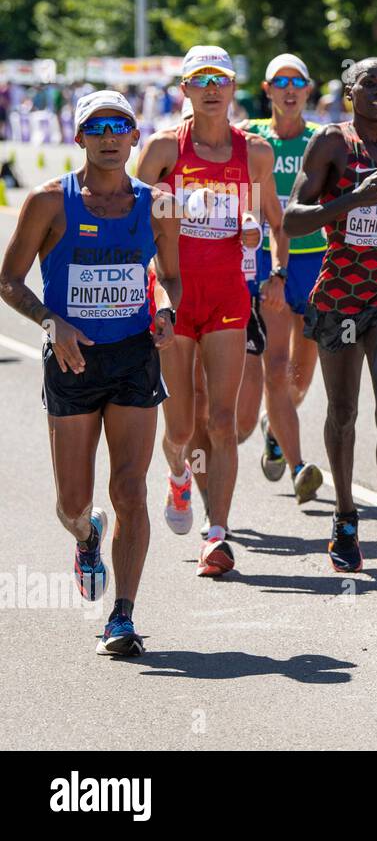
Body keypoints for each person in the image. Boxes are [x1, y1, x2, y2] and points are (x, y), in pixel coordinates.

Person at [0, 91, 181, 655]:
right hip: (72, 361)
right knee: (72, 504)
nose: (109, 136)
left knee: (130, 488)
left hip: (132, 356)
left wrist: (166, 309)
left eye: (119, 126)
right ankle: (86, 537)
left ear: (133, 136)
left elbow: (170, 276)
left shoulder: (158, 205)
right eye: (96, 127)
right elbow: (8, 280)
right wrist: (53, 322)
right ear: (79, 137)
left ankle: (123, 615)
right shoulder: (49, 201)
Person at [283, 57, 377, 578]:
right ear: (350, 92)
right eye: (368, 84)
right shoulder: (331, 143)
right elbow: (291, 217)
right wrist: (352, 199)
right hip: (341, 296)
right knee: (343, 410)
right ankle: (346, 518)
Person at [135, 46, 281, 578]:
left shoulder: (256, 153)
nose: (212, 88)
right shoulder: (162, 150)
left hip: (227, 298)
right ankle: (178, 478)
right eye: (201, 80)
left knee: (221, 419)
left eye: (220, 78)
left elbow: (271, 221)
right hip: (174, 297)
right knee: (180, 424)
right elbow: (132, 217)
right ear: (186, 90)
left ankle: (217, 533)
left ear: (233, 86)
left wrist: (256, 237)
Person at [238, 53, 325, 505]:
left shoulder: (322, 139)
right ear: (267, 90)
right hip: (269, 264)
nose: (290, 90)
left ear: (308, 90)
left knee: (300, 376)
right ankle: (294, 458)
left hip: (316, 263)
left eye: (298, 81)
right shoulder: (250, 138)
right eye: (280, 82)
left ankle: (275, 425)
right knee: (275, 367)